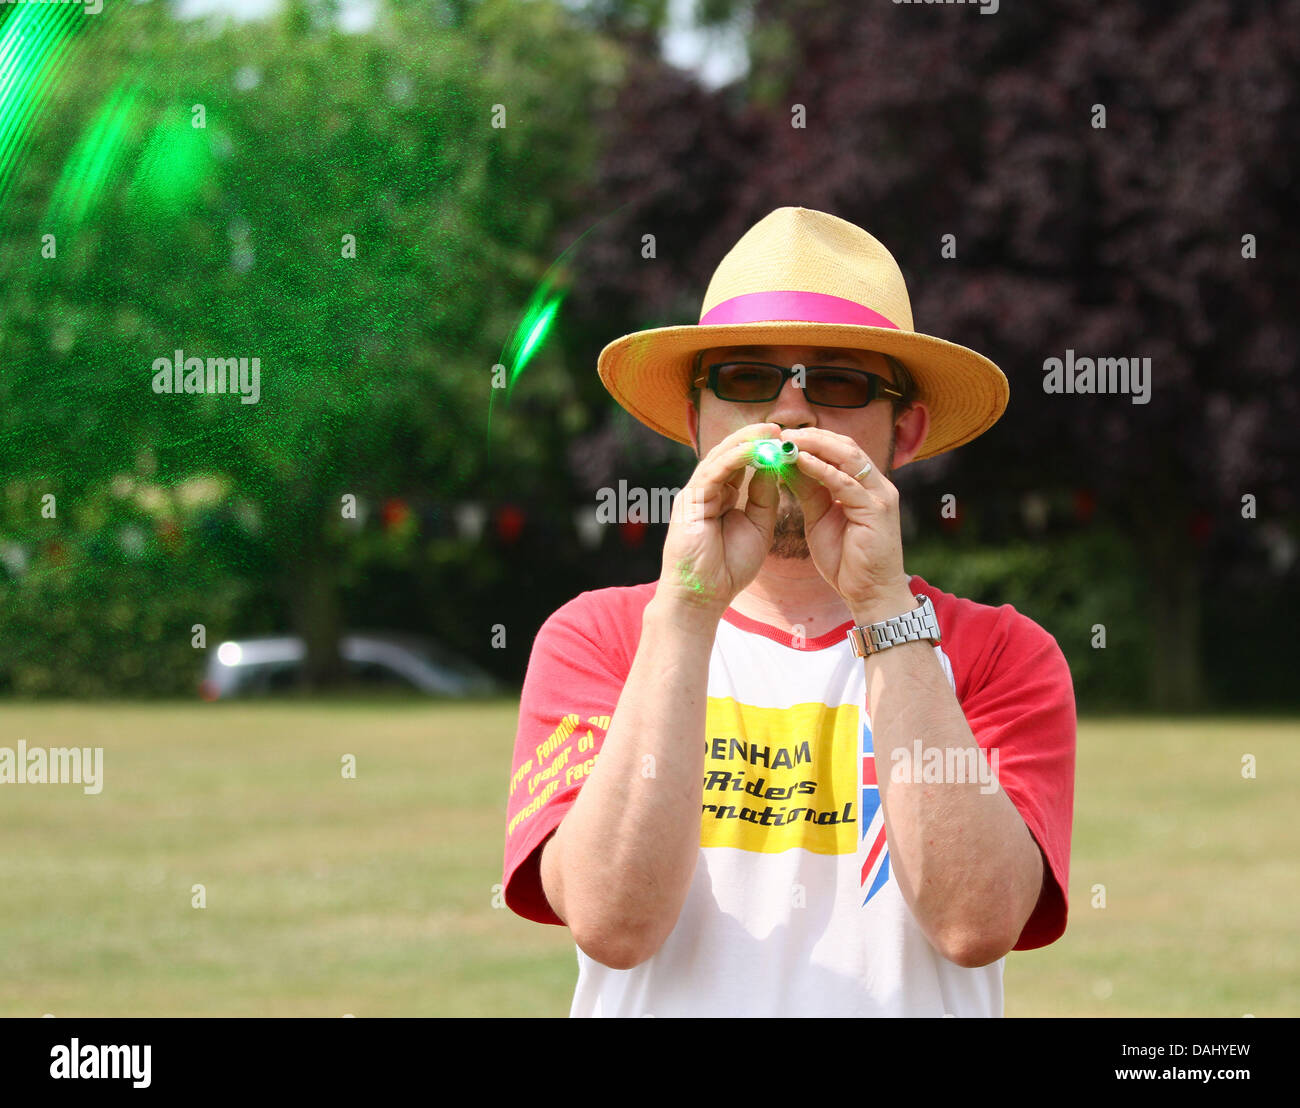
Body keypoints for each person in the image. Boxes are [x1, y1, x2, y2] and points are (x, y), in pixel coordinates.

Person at [501, 206, 1076, 1017]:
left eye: (840, 382)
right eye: (745, 379)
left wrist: (884, 606)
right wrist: (689, 608)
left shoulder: (1001, 653)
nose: (792, 413)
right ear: (697, 419)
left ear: (903, 431)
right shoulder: (598, 638)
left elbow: (973, 922)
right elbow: (613, 924)